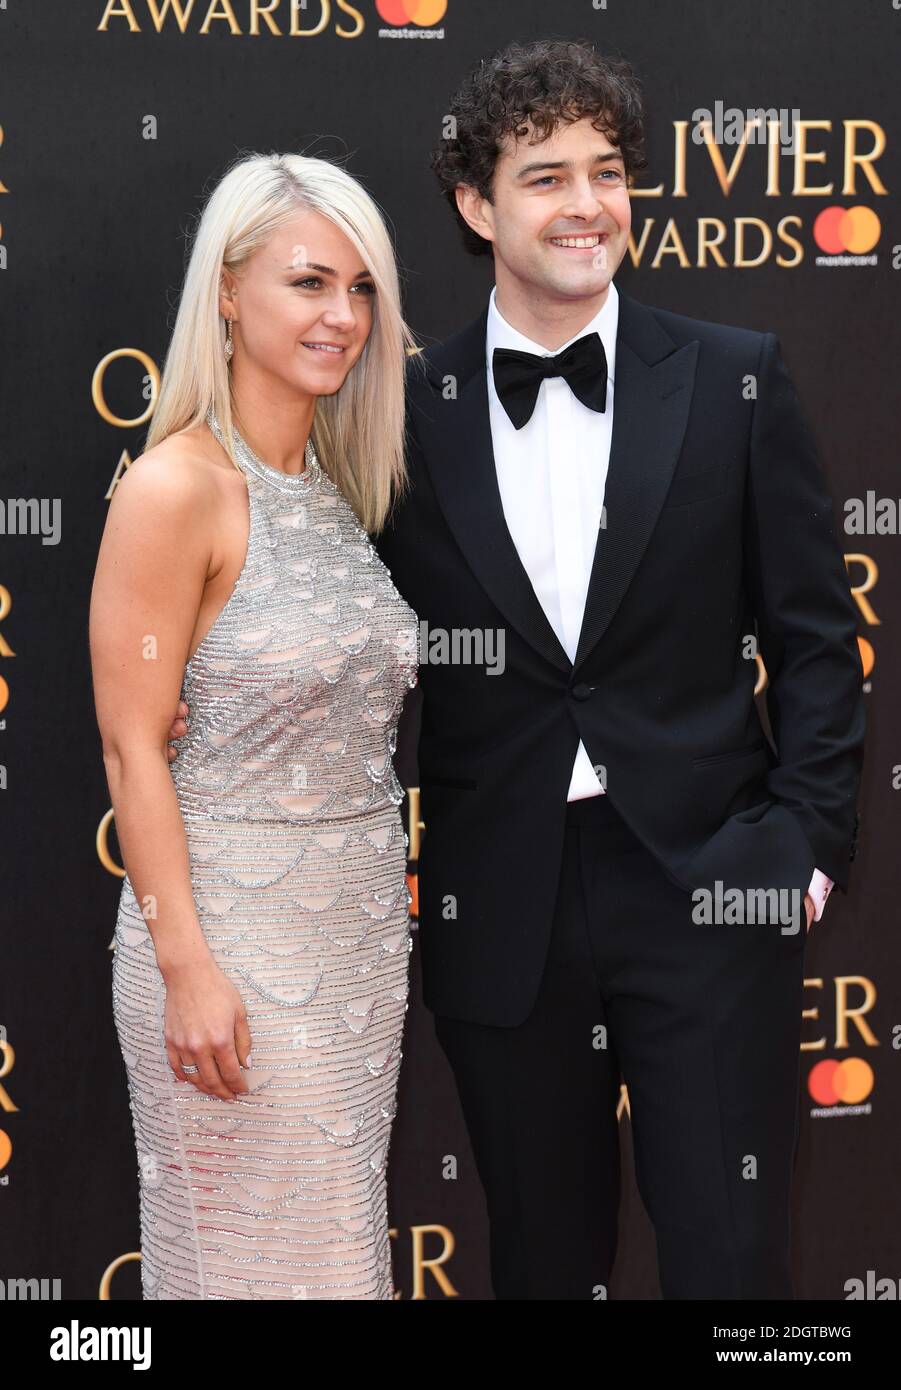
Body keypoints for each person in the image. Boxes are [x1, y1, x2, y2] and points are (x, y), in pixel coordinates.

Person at [169, 41, 865, 1300]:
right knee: (543, 1268)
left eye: (608, 172)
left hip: (709, 889)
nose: (586, 203)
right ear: (476, 206)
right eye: (546, 176)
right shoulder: (394, 412)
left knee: (733, 1267)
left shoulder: (735, 377)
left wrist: (800, 853)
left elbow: (818, 639)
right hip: (503, 912)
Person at [90, 151, 419, 1300]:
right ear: (226, 293)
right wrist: (185, 965)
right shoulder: (176, 487)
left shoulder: (332, 487)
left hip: (357, 950)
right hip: (230, 947)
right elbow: (133, 745)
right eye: (308, 283)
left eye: (362, 289)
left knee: (330, 1263)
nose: (343, 316)